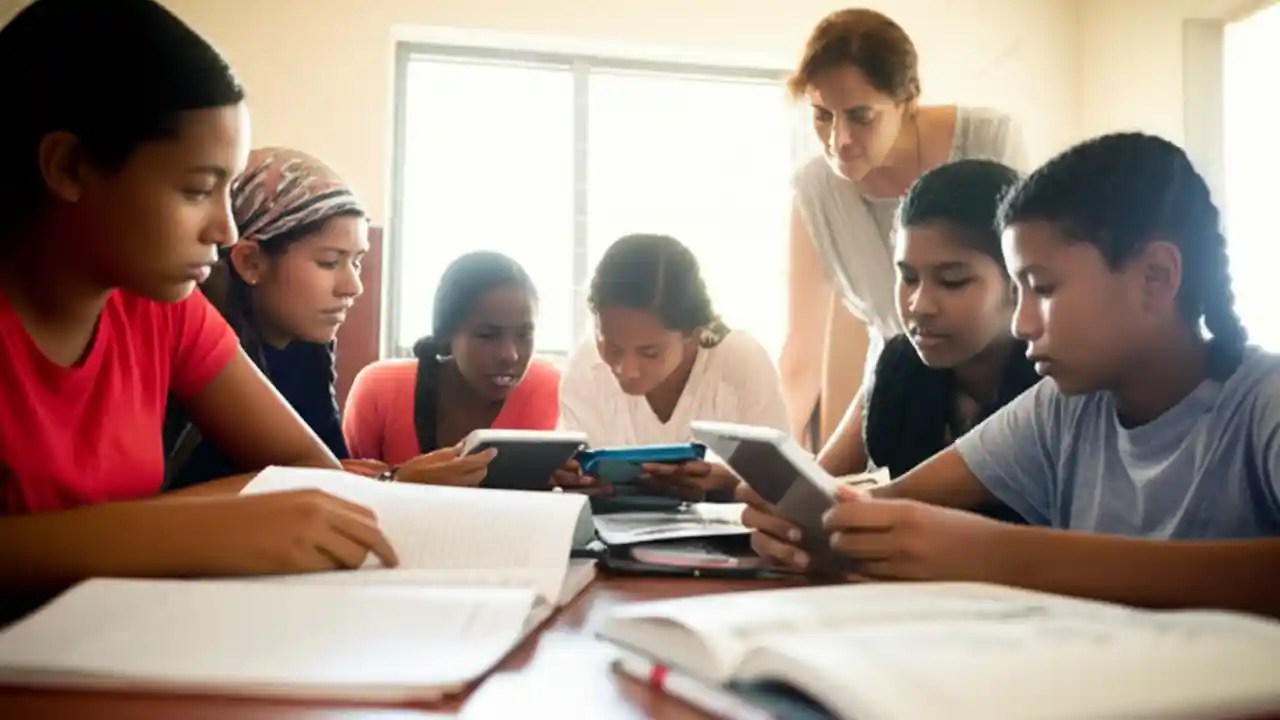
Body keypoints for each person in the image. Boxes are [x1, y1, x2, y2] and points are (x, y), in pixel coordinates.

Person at [742, 133, 1280, 619]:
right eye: (1018, 292)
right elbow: (885, 509)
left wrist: (997, 553)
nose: (1022, 324)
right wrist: (810, 531)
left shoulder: (1263, 401)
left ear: (1156, 276)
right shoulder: (1064, 406)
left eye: (1042, 289)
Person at [0, 0, 395, 608]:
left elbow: (305, 466)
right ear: (69, 167)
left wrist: (198, 522)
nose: (226, 230)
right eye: (196, 190)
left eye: (227, 191)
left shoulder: (161, 308)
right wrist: (187, 531)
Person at [778, 8, 1027, 449]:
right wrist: (777, 461)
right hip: (903, 381)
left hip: (1006, 378)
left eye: (860, 116)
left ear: (908, 97)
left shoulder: (988, 140)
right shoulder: (816, 188)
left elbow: (1030, 279)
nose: (839, 141)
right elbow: (802, 351)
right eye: (822, 115)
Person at [819, 160, 1038, 512]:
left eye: (952, 281)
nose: (919, 305)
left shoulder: (1058, 387)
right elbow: (824, 481)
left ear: (1017, 283)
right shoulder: (899, 367)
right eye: (908, 278)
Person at [164, 147, 373, 488]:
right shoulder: (188, 342)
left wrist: (396, 478)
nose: (353, 287)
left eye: (357, 261)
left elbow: (328, 472)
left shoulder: (307, 347)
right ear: (251, 262)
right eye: (329, 262)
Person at [558, 234, 789, 500]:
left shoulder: (739, 362)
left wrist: (728, 485)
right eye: (612, 347)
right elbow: (577, 477)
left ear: (693, 334)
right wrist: (577, 482)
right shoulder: (587, 368)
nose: (626, 369)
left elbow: (782, 487)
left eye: (650, 353)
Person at [343, 252, 557, 484]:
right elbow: (340, 484)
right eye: (487, 335)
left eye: (524, 335)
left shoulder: (548, 389)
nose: (510, 355)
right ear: (446, 333)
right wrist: (399, 480)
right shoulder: (381, 390)